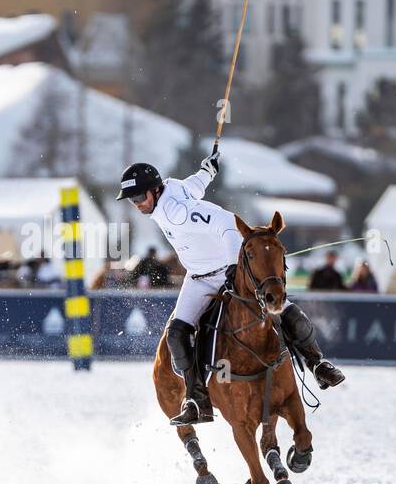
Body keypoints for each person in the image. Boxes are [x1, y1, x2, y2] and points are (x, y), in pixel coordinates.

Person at [117, 148, 344, 427]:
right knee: (177, 333)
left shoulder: (176, 212)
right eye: (132, 200)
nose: (137, 204)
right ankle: (197, 398)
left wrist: (232, 267)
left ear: (154, 191)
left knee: (282, 309)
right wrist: (208, 170)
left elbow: (226, 223)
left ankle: (317, 365)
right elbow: (193, 187)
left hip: (229, 271)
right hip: (198, 278)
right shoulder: (173, 190)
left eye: (139, 197)